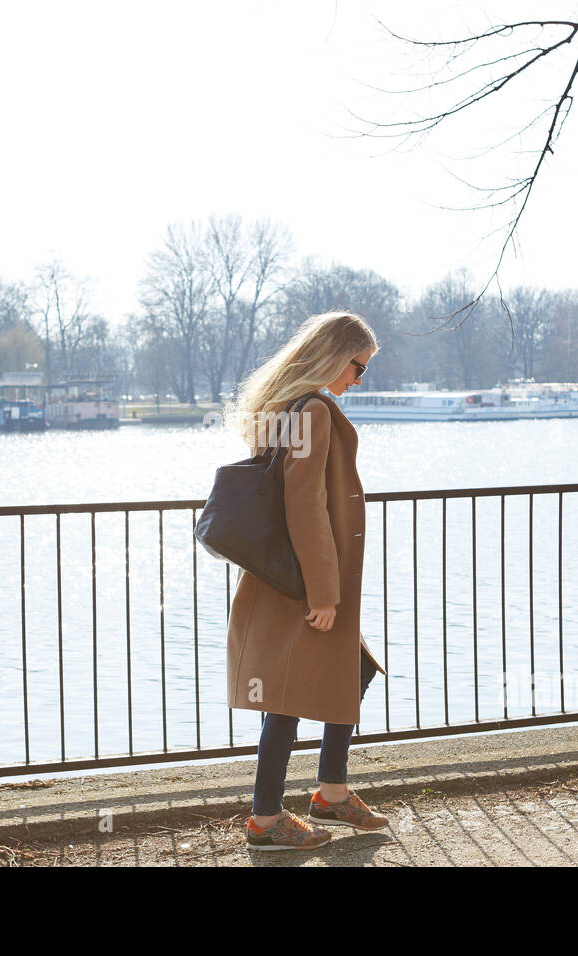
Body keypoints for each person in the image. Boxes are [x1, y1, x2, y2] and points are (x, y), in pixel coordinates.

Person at [222, 311, 388, 851]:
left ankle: (330, 792)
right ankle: (266, 820)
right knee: (286, 697)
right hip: (304, 578)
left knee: (348, 670)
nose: (358, 380)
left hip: (280, 573)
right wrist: (323, 593)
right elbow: (305, 506)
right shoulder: (312, 409)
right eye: (358, 366)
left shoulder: (283, 405)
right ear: (334, 355)